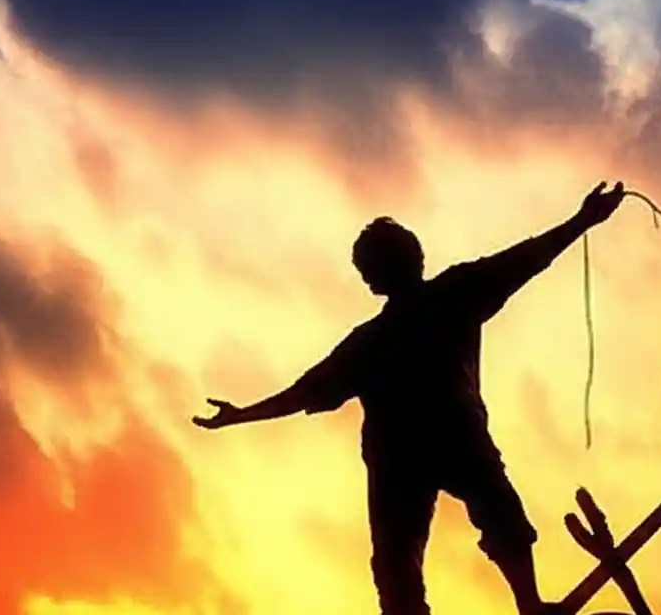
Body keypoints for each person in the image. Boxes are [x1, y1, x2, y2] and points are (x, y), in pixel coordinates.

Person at [194, 182, 627, 615]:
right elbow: (307, 390)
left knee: (481, 523)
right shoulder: (392, 328)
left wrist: (582, 221)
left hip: (442, 442)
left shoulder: (443, 299)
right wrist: (241, 415)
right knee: (416, 553)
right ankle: (524, 603)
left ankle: (527, 603)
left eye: (371, 265)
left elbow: (524, 260)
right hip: (408, 455)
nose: (369, 274)